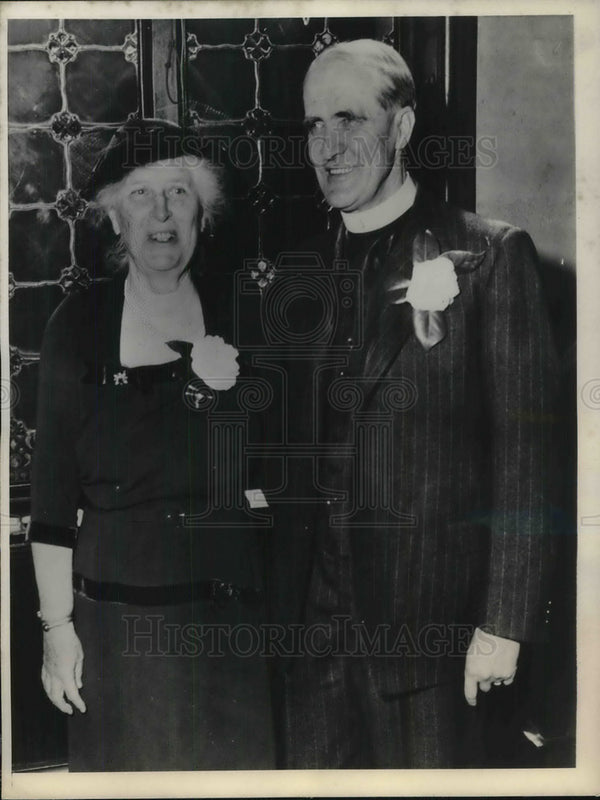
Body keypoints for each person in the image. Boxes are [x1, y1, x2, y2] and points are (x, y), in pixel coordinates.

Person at [272, 39, 558, 768]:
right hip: (311, 644)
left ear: (401, 128)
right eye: (311, 126)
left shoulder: (489, 257)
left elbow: (527, 457)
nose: (326, 148)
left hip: (435, 647)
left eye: (348, 120)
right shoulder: (293, 269)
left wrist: (505, 625)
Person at [29, 120, 274, 771]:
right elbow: (52, 497)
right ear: (113, 219)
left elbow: (281, 466)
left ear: (203, 214)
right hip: (118, 631)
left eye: (179, 192)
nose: (162, 213)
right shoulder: (76, 325)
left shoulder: (243, 313)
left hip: (233, 623)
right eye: (141, 194)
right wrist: (58, 631)